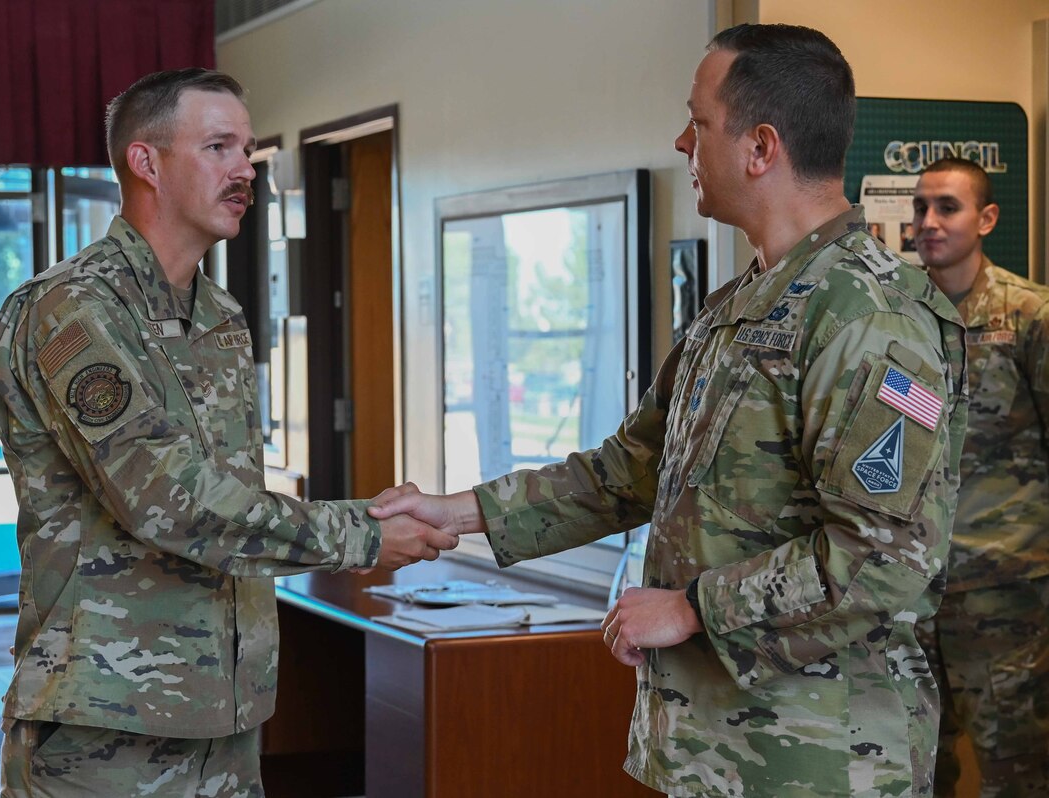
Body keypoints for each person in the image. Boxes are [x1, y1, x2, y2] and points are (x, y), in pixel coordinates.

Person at [371, 24, 967, 798]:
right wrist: (455, 513)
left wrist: (692, 608)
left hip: (821, 761)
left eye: (700, 121)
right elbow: (629, 471)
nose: (682, 141)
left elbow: (886, 556)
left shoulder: (868, 315)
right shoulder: (741, 306)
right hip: (711, 750)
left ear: (760, 148)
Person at [0, 68, 456, 798]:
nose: (245, 170)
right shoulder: (73, 311)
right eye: (218, 146)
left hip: (223, 714)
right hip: (109, 724)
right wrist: (362, 532)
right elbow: (170, 500)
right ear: (146, 162)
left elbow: (229, 500)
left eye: (248, 149)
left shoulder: (218, 316)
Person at [911, 157, 1049, 797]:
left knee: (1015, 774)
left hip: (1005, 591)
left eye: (947, 207)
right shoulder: (898, 315)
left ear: (987, 218)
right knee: (912, 773)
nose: (928, 223)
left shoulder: (1030, 316)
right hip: (911, 591)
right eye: (921, 208)